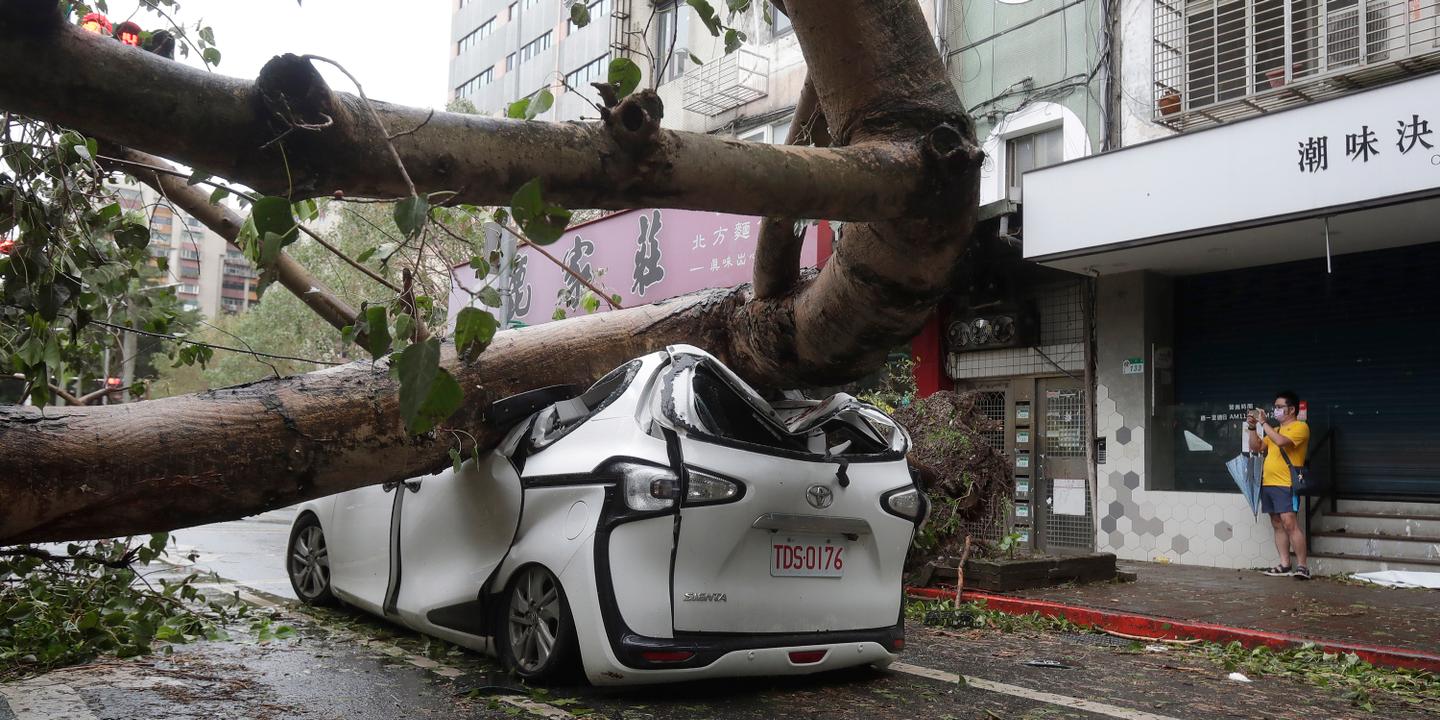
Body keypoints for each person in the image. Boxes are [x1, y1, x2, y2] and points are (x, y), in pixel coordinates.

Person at [1248, 391, 1311, 580]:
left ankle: (1303, 566)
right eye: (1274, 407)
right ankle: (1285, 564)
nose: (1275, 410)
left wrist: (1263, 423)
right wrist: (1252, 428)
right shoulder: (1275, 429)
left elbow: (1282, 442)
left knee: (1290, 523)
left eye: (1279, 407)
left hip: (1286, 484)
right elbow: (1257, 447)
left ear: (1291, 409)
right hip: (1269, 483)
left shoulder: (1300, 427)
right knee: (1277, 523)